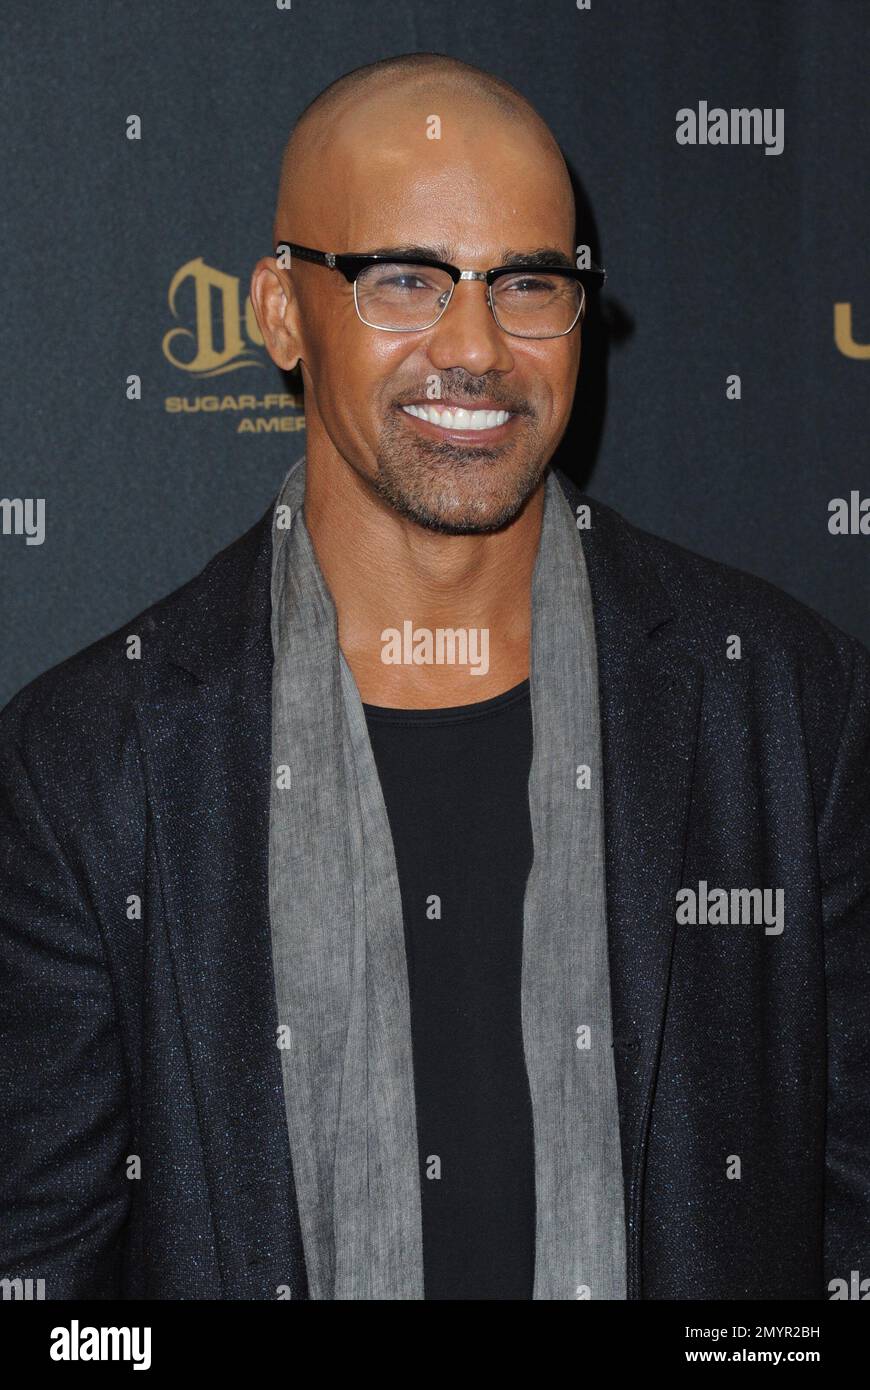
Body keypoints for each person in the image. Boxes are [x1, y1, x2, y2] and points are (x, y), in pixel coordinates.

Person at [1, 53, 868, 1302]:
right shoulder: (89, 763)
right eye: (402, 278)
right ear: (281, 312)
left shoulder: (790, 710)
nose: (477, 346)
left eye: (527, 282)